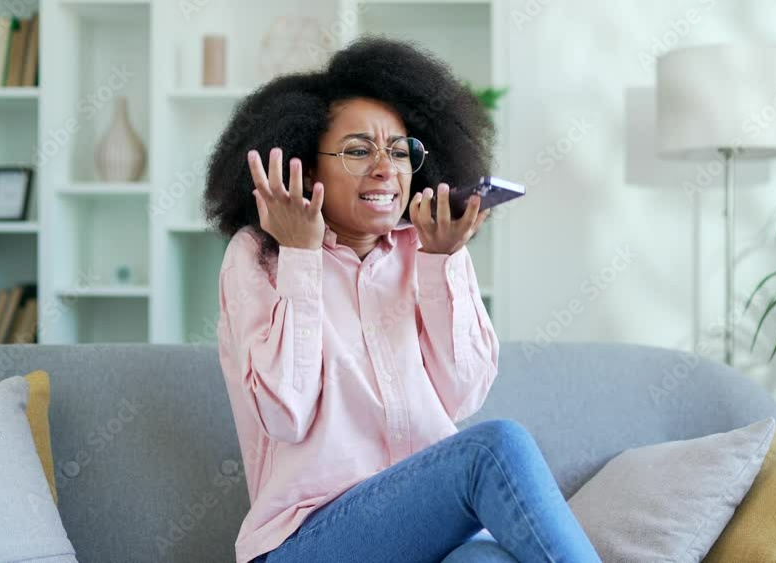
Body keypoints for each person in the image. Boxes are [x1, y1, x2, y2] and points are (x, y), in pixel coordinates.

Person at [203, 37, 601, 563]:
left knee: (485, 561)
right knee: (496, 447)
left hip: (424, 533)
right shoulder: (259, 255)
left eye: (398, 150)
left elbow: (463, 396)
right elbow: (285, 415)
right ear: (307, 168)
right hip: (307, 541)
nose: (385, 168)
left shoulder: (428, 247)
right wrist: (300, 254)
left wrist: (442, 262)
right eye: (358, 150)